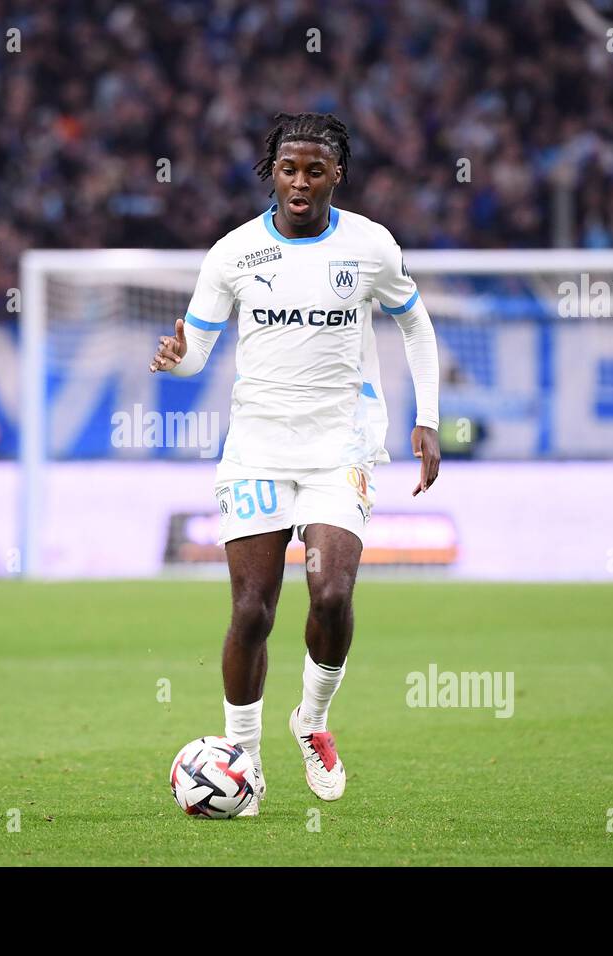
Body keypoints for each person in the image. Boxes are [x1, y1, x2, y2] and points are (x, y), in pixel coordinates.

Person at [149, 113, 440, 815]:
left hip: (341, 444)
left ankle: (310, 720)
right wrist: (176, 359)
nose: (301, 182)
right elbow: (197, 355)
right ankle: (239, 757)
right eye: (289, 169)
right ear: (271, 174)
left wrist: (426, 416)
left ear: (337, 173)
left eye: (315, 169)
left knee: (332, 594)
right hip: (256, 450)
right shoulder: (233, 254)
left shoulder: (370, 246)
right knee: (251, 610)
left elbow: (415, 322)